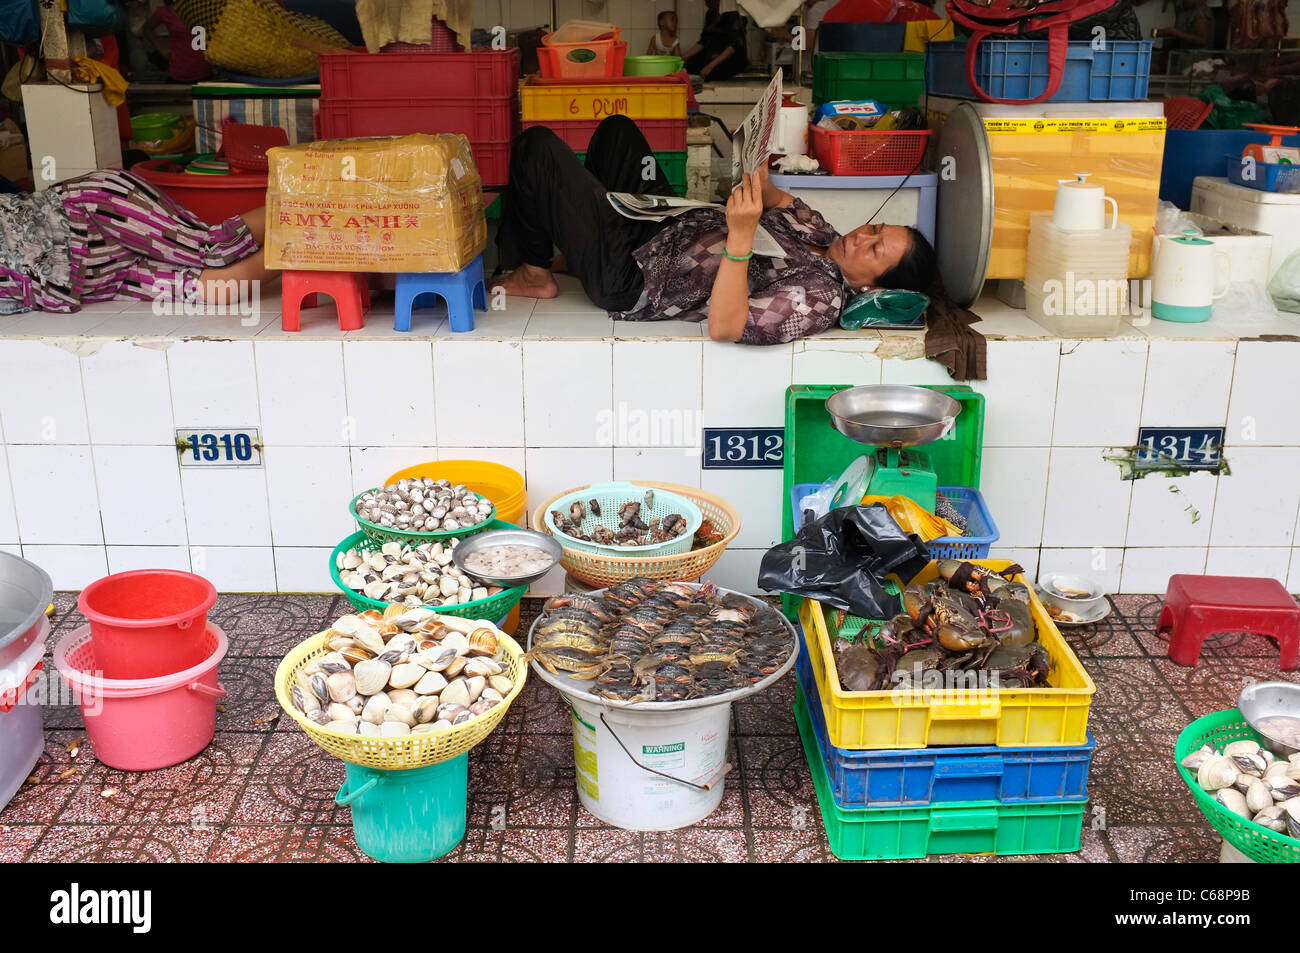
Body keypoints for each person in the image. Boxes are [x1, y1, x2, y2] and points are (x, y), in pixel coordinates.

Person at [494, 117, 937, 345]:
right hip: (659, 224)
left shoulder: (821, 298)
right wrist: (757, 160)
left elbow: (728, 326)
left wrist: (741, 237)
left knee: (537, 148)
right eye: (874, 228)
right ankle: (582, 244)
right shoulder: (822, 234)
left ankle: (536, 271)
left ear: (871, 286)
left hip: (637, 277)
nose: (861, 236)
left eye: (875, 249)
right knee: (617, 133)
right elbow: (770, 192)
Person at [0, 169, 271, 314]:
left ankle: (306, 209)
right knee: (221, 290)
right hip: (97, 281)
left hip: (91, 211)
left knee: (216, 249)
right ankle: (307, 249)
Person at [143, 0, 211, 83]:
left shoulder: (205, 9)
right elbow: (146, 29)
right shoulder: (166, 11)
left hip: (206, 71)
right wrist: (161, 48)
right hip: (179, 71)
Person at [683, 9, 750, 81]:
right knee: (688, 68)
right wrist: (682, 58)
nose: (706, 1)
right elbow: (703, 41)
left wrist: (709, 67)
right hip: (713, 55)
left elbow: (733, 47)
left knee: (711, 74)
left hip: (732, 58)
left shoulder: (733, 13)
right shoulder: (711, 13)